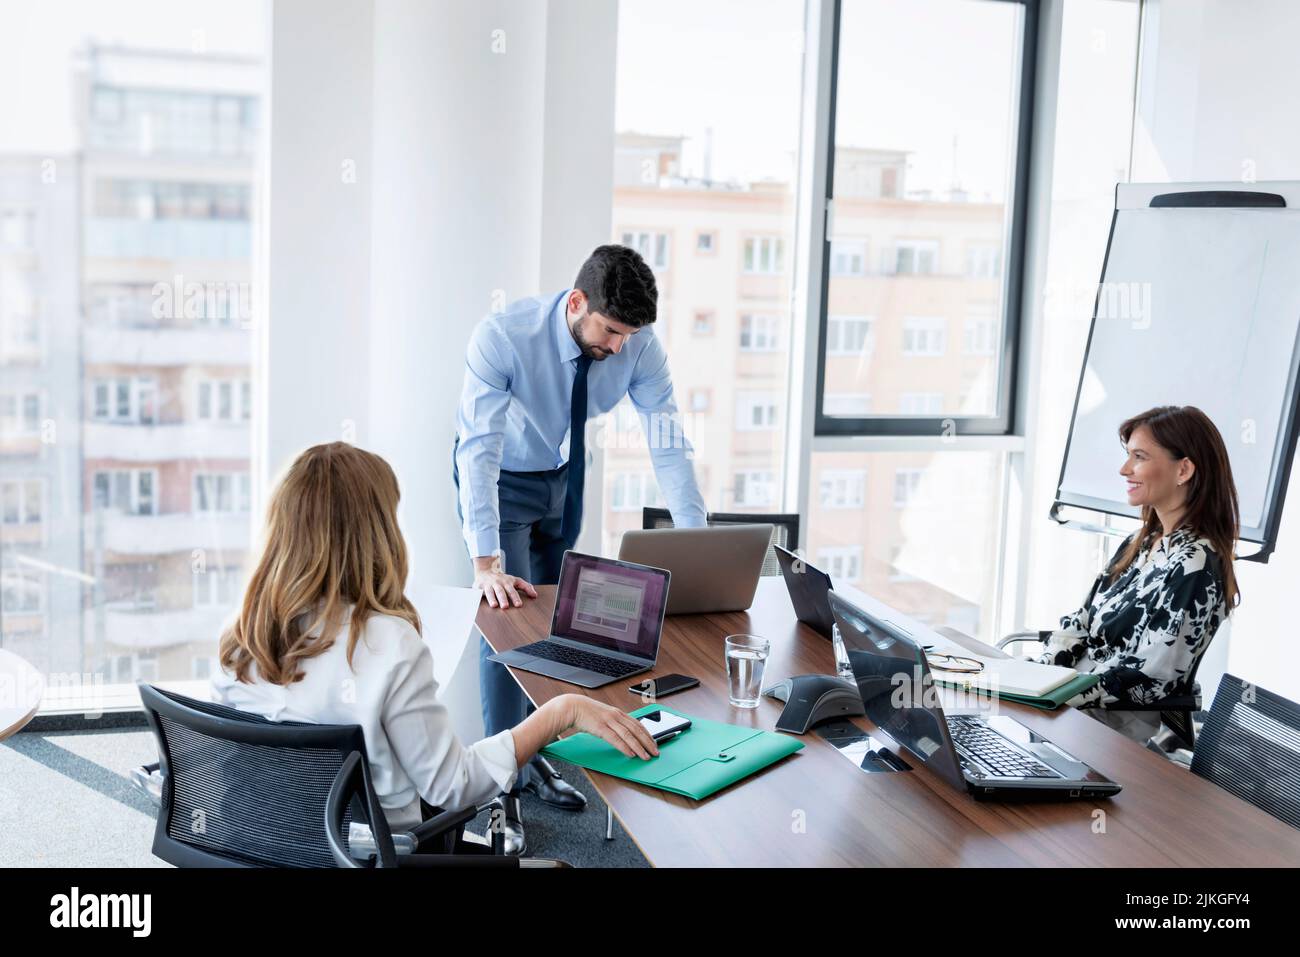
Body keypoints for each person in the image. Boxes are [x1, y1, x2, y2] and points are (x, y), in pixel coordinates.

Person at [212, 443, 658, 844]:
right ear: (375, 534)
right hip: (373, 852)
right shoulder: (390, 644)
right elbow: (453, 786)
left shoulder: (241, 635)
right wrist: (562, 711)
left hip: (262, 843)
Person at [453, 243, 706, 851]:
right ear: (576, 304)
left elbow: (667, 437)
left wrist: (697, 536)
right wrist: (486, 561)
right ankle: (498, 791)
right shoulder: (503, 338)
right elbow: (477, 451)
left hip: (566, 475)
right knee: (506, 620)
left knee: (557, 622)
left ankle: (534, 755)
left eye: (631, 334)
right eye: (612, 331)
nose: (621, 347)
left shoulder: (639, 343)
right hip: (504, 479)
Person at [1036, 405, 1240, 744]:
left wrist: (1056, 693)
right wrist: (1039, 674)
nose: (1124, 469)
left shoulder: (1198, 563)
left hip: (1111, 727)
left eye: (1139, 457)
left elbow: (1150, 676)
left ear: (1184, 469)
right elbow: (1081, 620)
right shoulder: (1141, 542)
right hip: (1070, 706)